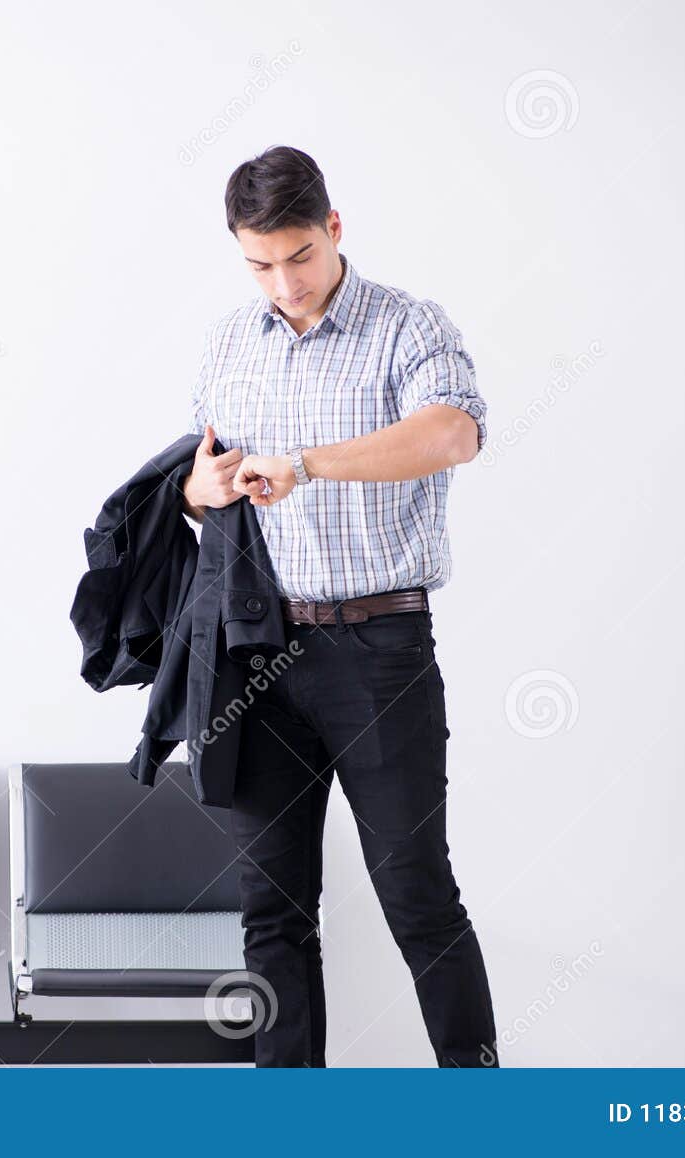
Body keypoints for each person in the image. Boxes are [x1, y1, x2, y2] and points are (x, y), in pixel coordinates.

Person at [181, 145, 497, 1067]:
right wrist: (200, 490)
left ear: (335, 230)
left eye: (299, 256)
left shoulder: (408, 327)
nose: (282, 281)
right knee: (270, 906)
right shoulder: (228, 342)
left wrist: (309, 463)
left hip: (379, 648)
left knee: (415, 891)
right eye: (259, 263)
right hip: (256, 653)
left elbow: (454, 434)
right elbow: (197, 485)